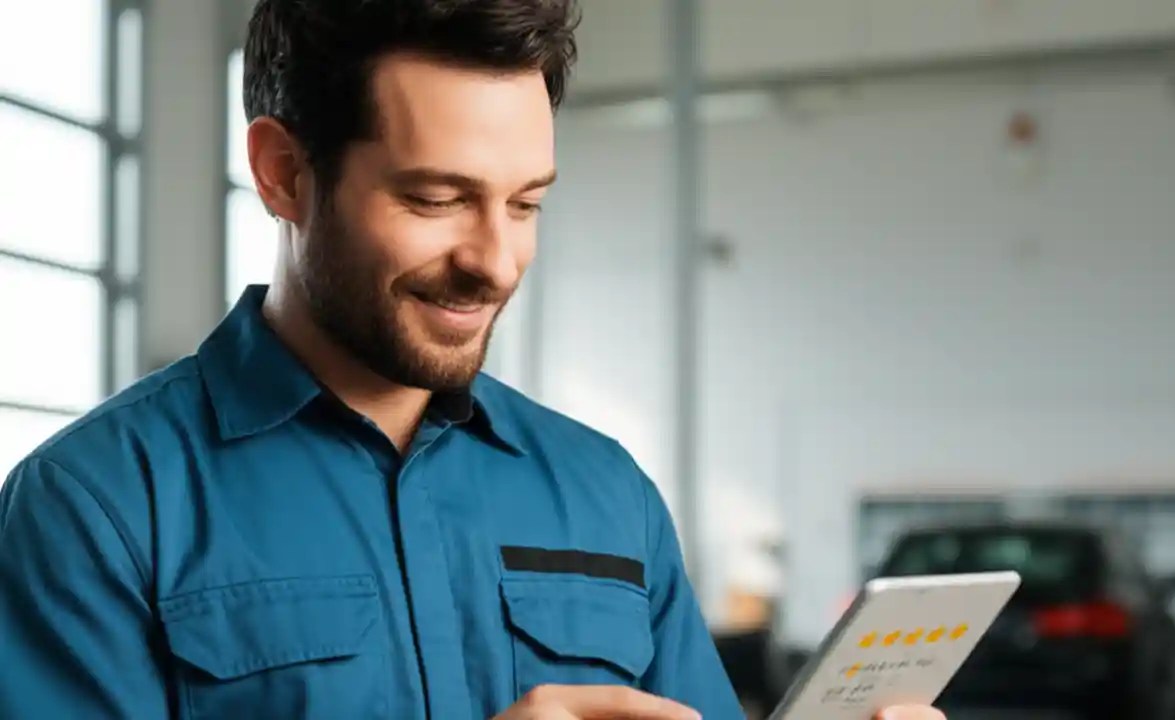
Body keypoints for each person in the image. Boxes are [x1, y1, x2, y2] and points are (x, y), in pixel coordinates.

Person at [0, 2, 943, 719]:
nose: (494, 261)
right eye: (437, 199)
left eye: (525, 203)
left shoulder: (605, 491)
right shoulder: (97, 507)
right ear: (285, 173)